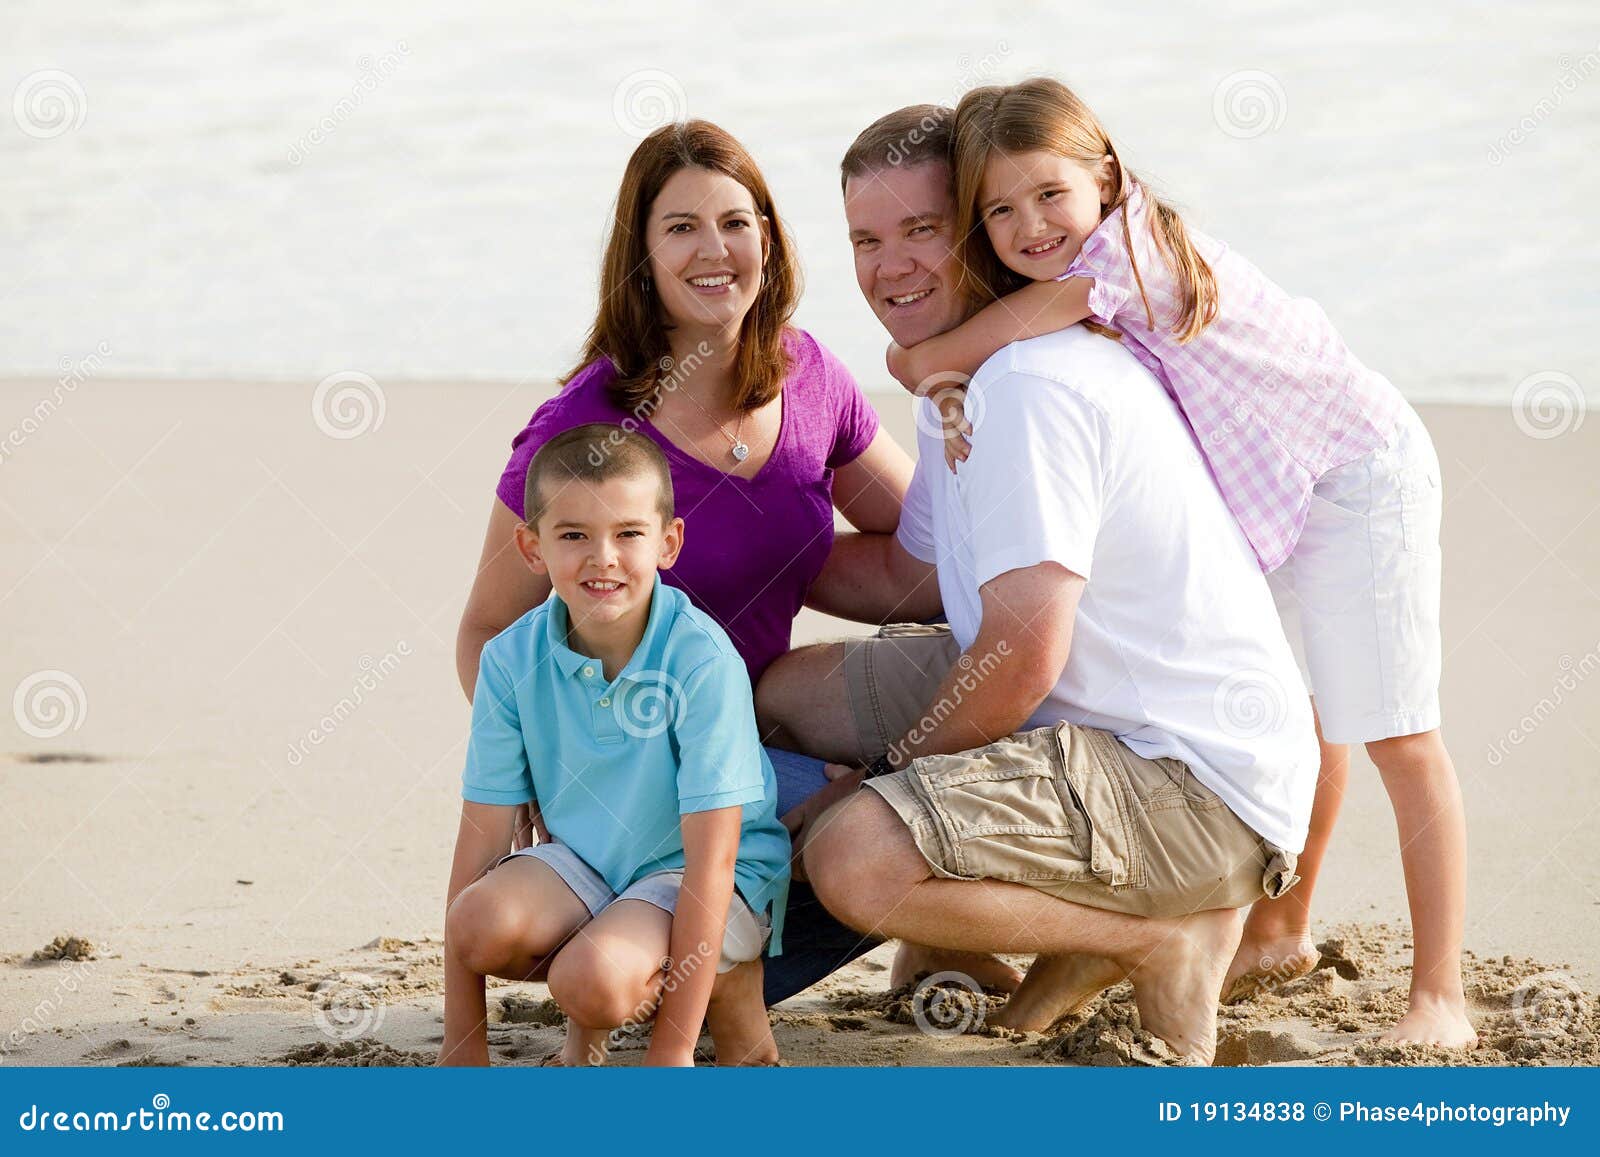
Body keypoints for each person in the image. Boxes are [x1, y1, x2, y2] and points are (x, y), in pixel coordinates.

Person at [882, 78, 1471, 1047]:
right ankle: (1278, 929)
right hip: (1272, 484)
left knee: (1396, 730)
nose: (1030, 226)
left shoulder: (1126, 251)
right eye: (998, 210)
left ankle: (1439, 992)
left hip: (1354, 469)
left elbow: (977, 341)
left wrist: (927, 362)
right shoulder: (1090, 262)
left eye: (1049, 196)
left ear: (1106, 177)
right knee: (1298, 699)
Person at [762, 105, 1320, 1064]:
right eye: (865, 238)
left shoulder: (1032, 388)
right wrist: (714, 551)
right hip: (1089, 718)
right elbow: (921, 573)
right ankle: (954, 942)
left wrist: (883, 780)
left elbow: (1019, 657)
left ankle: (1160, 938)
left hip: (1188, 786)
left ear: (978, 232)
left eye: (922, 232)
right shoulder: (964, 382)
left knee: (850, 852)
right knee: (786, 696)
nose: (889, 267)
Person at [455, 118, 1007, 1007]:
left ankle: (903, 935)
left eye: (736, 222)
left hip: (761, 721)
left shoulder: (807, 374)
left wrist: (979, 368)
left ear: (769, 238)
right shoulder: (586, 424)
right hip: (636, 764)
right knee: (843, 831)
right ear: (640, 254)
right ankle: (660, 943)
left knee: (979, 698)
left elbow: (931, 549)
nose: (715, 250)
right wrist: (536, 770)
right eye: (680, 227)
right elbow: (487, 628)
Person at [440, 425, 790, 1067]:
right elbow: (482, 841)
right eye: (573, 535)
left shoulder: (700, 659)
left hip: (699, 873)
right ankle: (597, 986)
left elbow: (713, 863)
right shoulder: (508, 659)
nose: (602, 557)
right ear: (531, 547)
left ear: (668, 542)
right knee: (477, 922)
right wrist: (463, 1046)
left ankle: (721, 982)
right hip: (586, 860)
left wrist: (672, 1053)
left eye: (628, 534)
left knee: (593, 984)